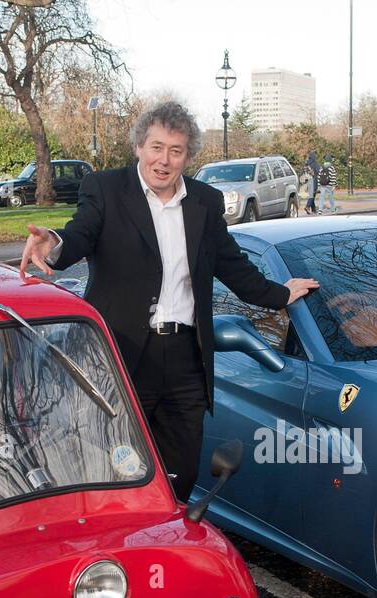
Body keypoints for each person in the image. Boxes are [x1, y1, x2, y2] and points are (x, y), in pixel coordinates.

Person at [19, 101, 318, 501]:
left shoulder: (204, 203)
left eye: (175, 151)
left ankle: (168, 537)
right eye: (156, 147)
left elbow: (233, 267)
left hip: (185, 360)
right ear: (139, 147)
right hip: (122, 355)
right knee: (118, 466)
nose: (164, 160)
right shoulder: (107, 190)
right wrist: (53, 242)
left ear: (187, 156)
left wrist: (282, 293)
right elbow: (79, 235)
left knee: (182, 472)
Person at [304, 149, 319, 214]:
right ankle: (307, 206)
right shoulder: (315, 163)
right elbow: (319, 170)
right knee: (313, 194)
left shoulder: (306, 162)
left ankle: (313, 209)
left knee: (311, 194)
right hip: (314, 180)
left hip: (308, 180)